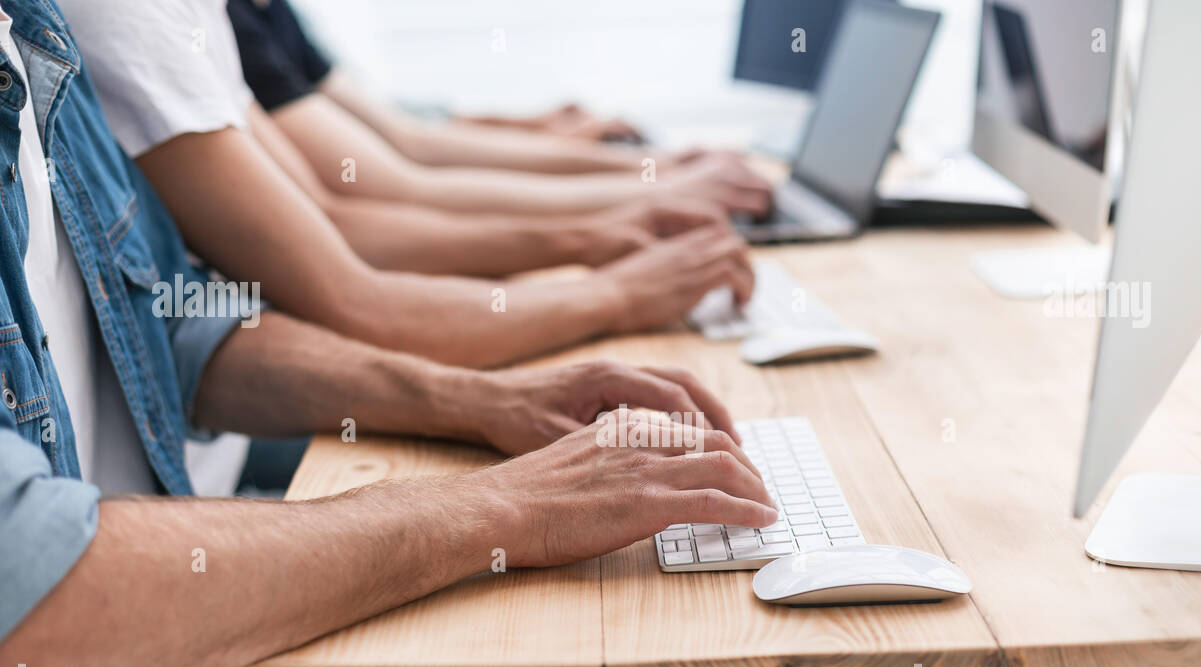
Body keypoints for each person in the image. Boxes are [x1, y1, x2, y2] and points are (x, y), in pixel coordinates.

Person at [0, 0, 778, 667]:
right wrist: (501, 507)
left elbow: (171, 327)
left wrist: (479, 400)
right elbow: (28, 592)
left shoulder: (33, 32)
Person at [58, 0, 759, 372]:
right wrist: (617, 282)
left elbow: (336, 212)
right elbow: (359, 295)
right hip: (216, 461)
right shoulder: (134, 14)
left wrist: (612, 229)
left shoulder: (194, 12)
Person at [224, 0, 776, 216]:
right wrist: (653, 188)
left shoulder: (268, 11)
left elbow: (407, 133)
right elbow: (402, 180)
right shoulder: (228, 25)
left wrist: (655, 169)